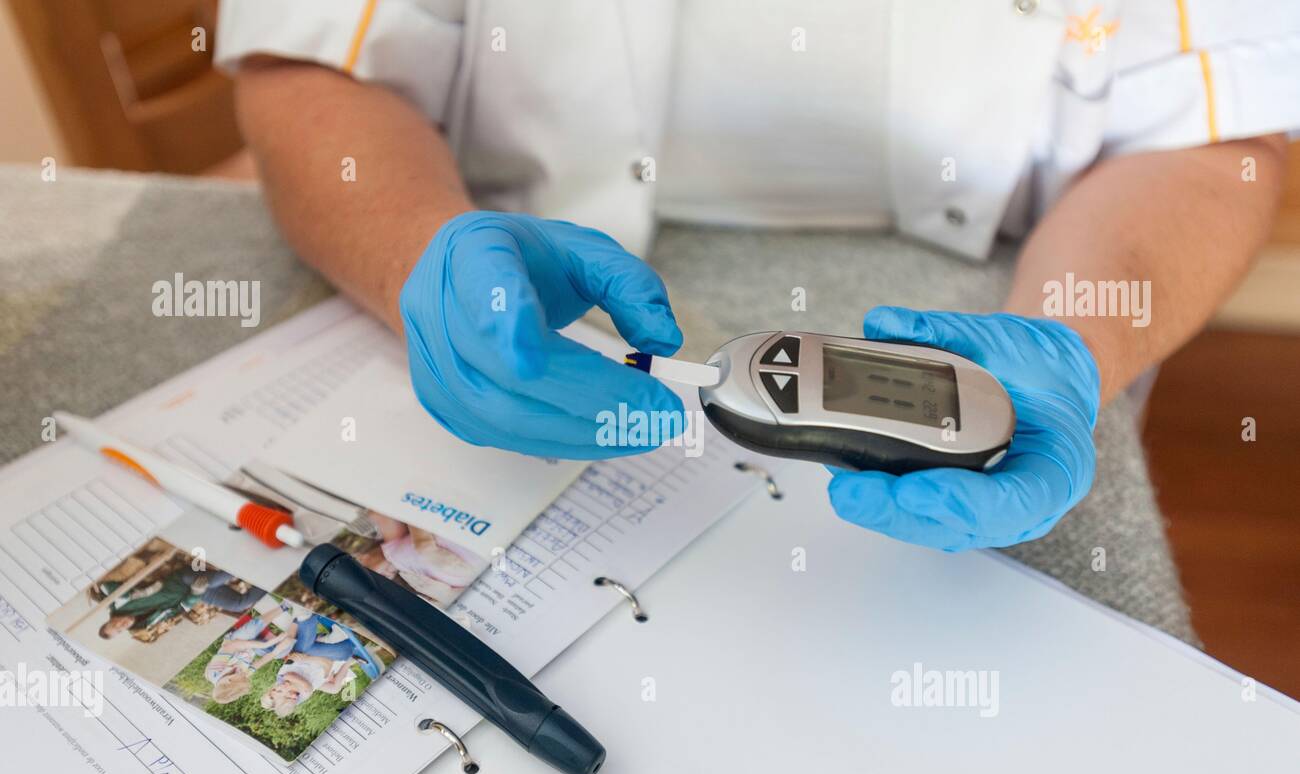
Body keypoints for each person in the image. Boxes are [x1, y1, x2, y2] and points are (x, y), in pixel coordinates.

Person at [216, 1, 1299, 551]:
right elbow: (310, 53)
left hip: (1033, 276)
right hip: (517, 226)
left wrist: (1075, 342)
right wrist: (423, 253)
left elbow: (1216, 132)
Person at [99, 566, 265, 639]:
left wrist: (135, 594)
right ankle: (270, 580)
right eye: (120, 630)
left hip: (182, 579)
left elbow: (104, 585)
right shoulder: (145, 623)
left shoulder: (117, 603)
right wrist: (194, 595)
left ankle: (254, 556)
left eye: (115, 624)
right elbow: (178, 610)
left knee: (219, 578)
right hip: (194, 592)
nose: (122, 625)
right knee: (239, 605)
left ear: (111, 618)